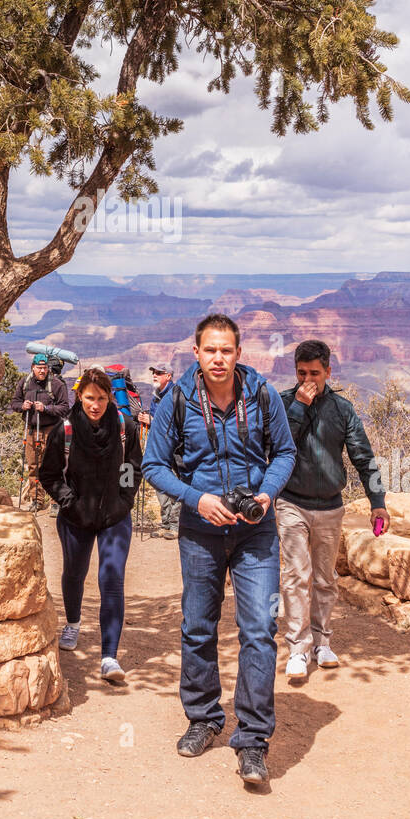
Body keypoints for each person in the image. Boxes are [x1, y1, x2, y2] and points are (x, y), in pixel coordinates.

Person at [142, 314, 296, 786]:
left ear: (238, 353)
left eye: (226, 350)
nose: (218, 358)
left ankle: (252, 741)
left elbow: (285, 454)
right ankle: (204, 717)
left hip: (256, 531)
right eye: (210, 350)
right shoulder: (179, 399)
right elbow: (153, 465)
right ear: (196, 351)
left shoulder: (262, 394)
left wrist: (266, 494)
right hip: (200, 528)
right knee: (197, 626)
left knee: (258, 630)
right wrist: (197, 498)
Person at [277, 339, 388, 683]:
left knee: (325, 579)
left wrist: (377, 503)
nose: (307, 379)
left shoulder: (342, 409)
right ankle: (297, 648)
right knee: (296, 577)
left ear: (328, 371)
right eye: (301, 373)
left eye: (314, 373)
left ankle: (322, 643)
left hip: (329, 507)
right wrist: (298, 406)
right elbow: (277, 448)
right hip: (291, 502)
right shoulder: (282, 404)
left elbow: (364, 459)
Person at [39, 367, 143, 683]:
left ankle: (109, 657)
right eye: (88, 398)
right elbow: (50, 475)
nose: (95, 405)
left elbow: (131, 467)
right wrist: (70, 502)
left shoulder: (125, 427)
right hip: (75, 518)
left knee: (111, 577)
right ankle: (72, 623)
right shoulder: (65, 430)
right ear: (79, 396)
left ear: (110, 397)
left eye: (100, 398)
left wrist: (124, 500)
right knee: (75, 571)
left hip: (114, 517)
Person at [9, 354, 70, 510]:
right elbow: (14, 402)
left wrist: (46, 408)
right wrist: (22, 406)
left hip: (52, 431)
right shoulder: (25, 383)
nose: (42, 371)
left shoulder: (56, 385)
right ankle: (37, 499)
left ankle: (56, 501)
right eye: (39, 368)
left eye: (44, 368)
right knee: (33, 465)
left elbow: (64, 408)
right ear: (33, 367)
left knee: (54, 465)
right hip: (31, 430)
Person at [147, 363, 178, 538]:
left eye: (159, 373)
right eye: (154, 373)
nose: (154, 376)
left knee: (175, 484)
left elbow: (174, 422)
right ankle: (165, 523)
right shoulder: (155, 396)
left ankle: (175, 525)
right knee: (160, 484)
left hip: (174, 448)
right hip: (159, 446)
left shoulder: (175, 395)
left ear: (168, 376)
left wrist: (152, 421)